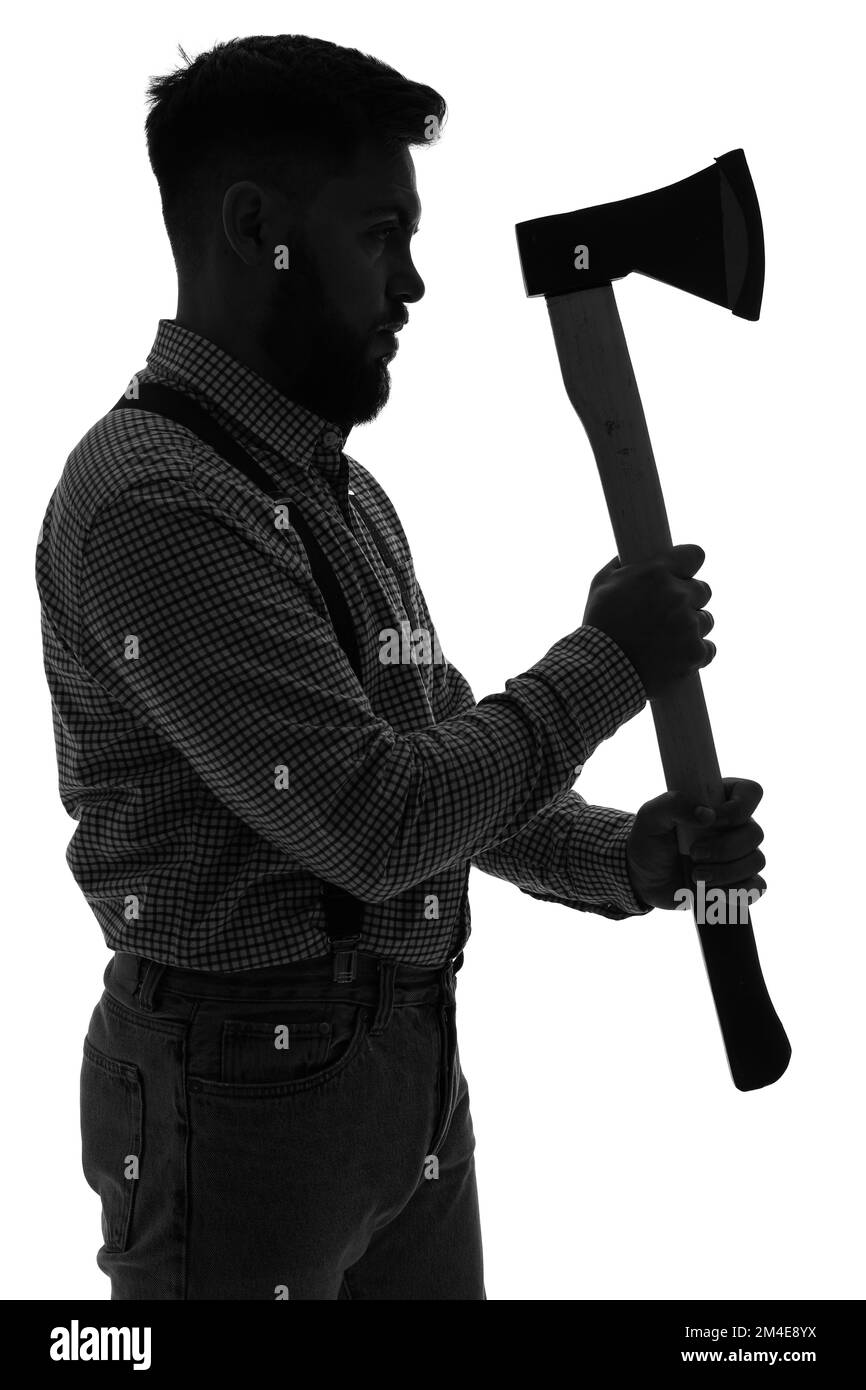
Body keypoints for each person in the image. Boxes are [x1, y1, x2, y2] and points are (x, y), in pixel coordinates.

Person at [34, 34, 766, 1300]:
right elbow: (373, 822)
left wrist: (617, 858)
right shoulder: (153, 505)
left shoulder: (341, 495)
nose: (414, 281)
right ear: (253, 225)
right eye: (380, 233)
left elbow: (433, 765)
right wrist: (608, 662)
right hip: (237, 1098)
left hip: (408, 1078)